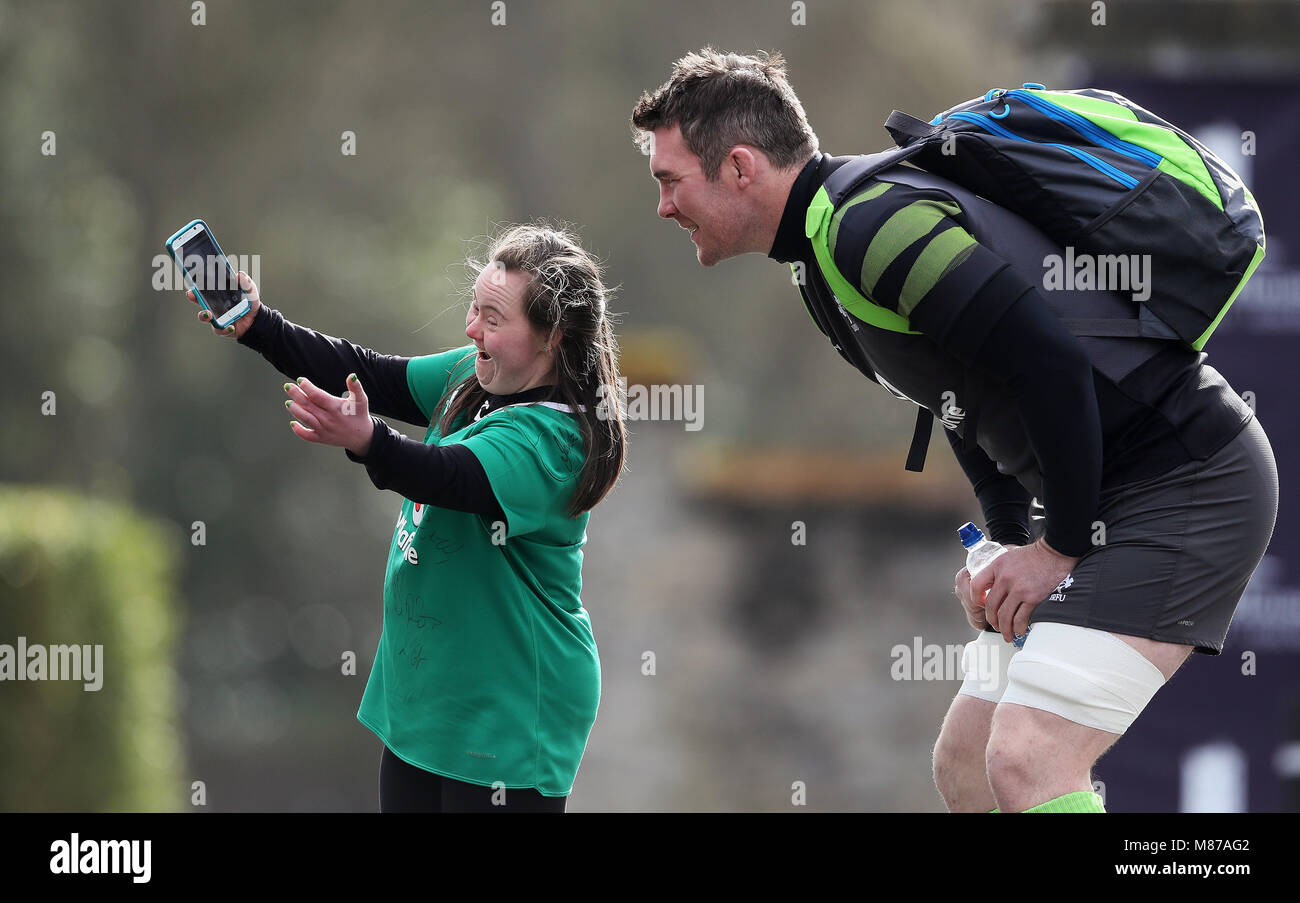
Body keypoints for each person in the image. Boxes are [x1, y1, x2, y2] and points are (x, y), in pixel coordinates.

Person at [630, 48, 1278, 813]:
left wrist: (1055, 548)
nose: (664, 207)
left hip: (1187, 482)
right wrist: (1007, 540)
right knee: (966, 763)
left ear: (739, 167)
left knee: (1030, 759)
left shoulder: (868, 225)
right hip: (1109, 496)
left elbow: (1050, 364)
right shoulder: (819, 252)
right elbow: (960, 394)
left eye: (670, 182)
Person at [182, 223, 626, 812]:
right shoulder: (476, 377)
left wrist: (369, 441)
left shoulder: (557, 437)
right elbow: (368, 372)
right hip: (427, 697)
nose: (473, 330)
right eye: (474, 309)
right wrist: (258, 326)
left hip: (511, 712)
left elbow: (447, 477)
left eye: (494, 319)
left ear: (553, 338)